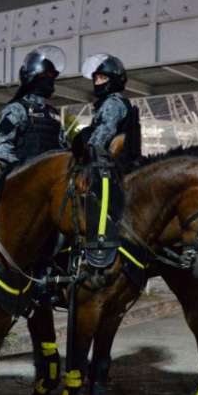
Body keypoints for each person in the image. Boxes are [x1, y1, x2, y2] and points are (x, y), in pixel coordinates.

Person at [73, 53, 140, 271]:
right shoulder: (110, 103)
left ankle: (98, 248)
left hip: (111, 167)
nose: (97, 83)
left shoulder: (113, 103)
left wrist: (85, 152)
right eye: (96, 79)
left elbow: (103, 133)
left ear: (114, 79)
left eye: (102, 78)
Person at [0, 45, 69, 172]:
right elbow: (0, 148)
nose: (50, 80)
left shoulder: (53, 114)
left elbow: (62, 147)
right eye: (46, 75)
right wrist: (24, 170)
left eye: (52, 76)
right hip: (23, 181)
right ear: (34, 78)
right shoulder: (17, 109)